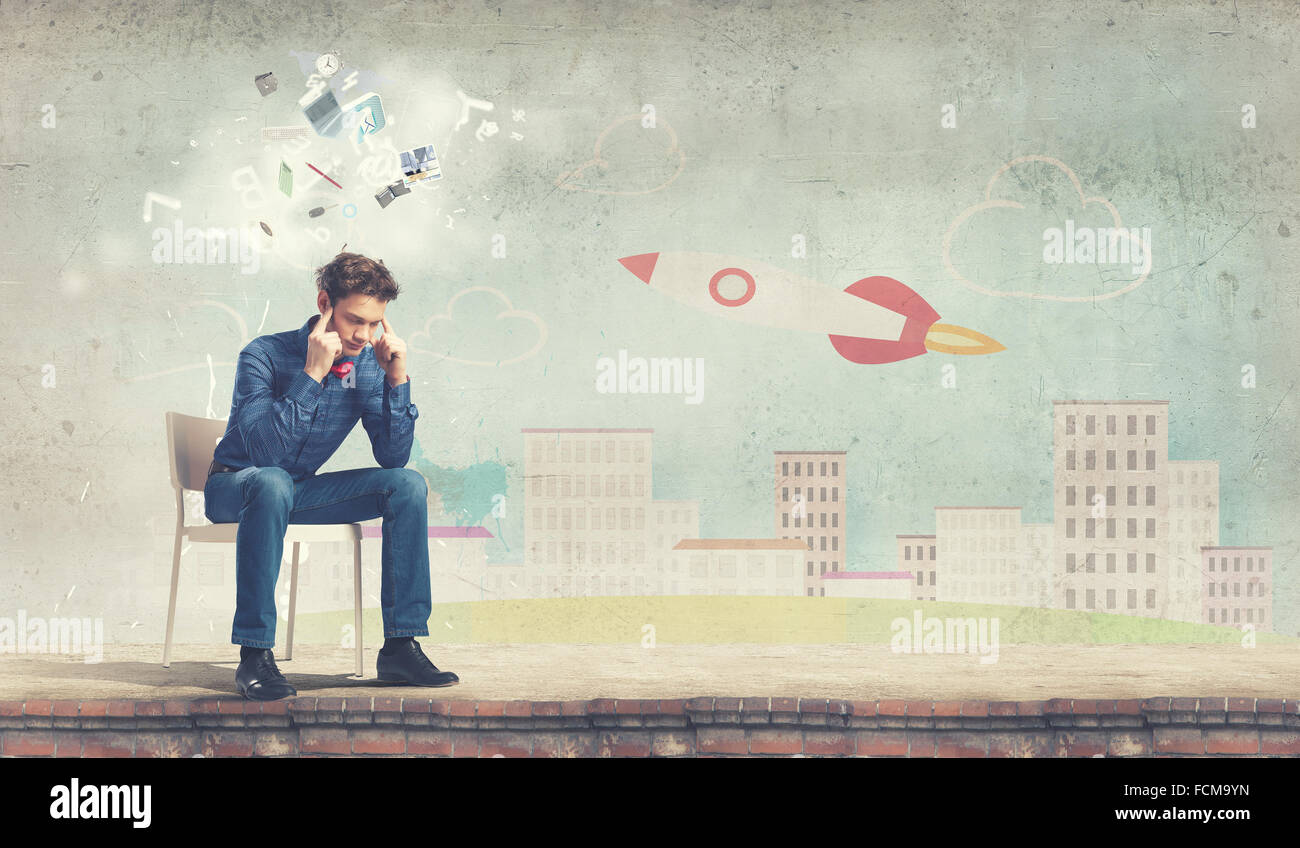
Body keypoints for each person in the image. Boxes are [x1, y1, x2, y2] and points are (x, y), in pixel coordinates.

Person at [203, 252, 458, 700]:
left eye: (374, 323)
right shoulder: (262, 353)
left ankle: (400, 646)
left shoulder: (367, 364)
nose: (363, 334)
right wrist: (313, 373)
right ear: (324, 303)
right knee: (271, 480)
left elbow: (392, 457)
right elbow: (267, 453)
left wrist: (397, 381)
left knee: (407, 484)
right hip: (236, 486)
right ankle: (254, 655)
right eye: (353, 319)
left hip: (296, 490)